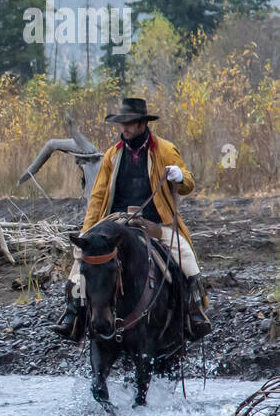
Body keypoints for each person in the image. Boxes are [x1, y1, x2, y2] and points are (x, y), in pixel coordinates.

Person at [54, 97, 211, 342]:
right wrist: (87, 233)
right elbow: (97, 198)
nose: (123, 128)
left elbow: (188, 184)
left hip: (155, 223)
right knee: (80, 260)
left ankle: (194, 313)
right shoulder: (111, 156)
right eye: (121, 123)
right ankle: (72, 314)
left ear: (141, 124)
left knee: (186, 255)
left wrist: (180, 176)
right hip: (115, 221)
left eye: (128, 123)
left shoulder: (165, 150)